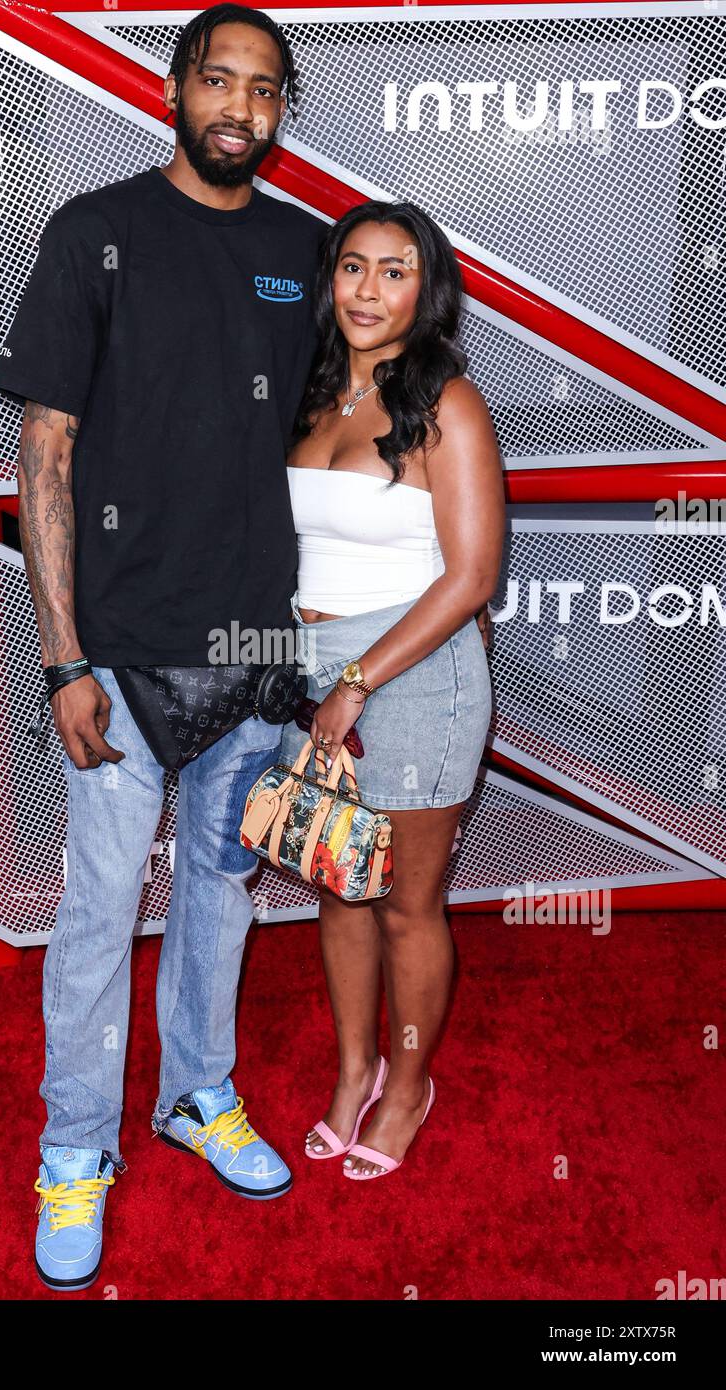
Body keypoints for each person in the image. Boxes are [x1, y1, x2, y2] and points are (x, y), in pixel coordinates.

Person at [0, 4, 327, 1290]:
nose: (238, 106)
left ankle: (198, 1094)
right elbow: (46, 456)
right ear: (173, 88)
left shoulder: (309, 252)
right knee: (93, 912)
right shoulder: (95, 231)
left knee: (220, 894)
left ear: (281, 111)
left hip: (256, 647)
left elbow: (334, 450)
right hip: (120, 649)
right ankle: (74, 1147)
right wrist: (63, 658)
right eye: (217, 80)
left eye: (263, 89)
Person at [277, 199, 505, 1180]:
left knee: (409, 905)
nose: (369, 289)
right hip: (319, 672)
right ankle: (354, 1068)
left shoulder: (446, 403)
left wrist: (358, 681)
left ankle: (408, 1087)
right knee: (338, 889)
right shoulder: (310, 391)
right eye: (353, 267)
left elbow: (471, 576)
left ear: (428, 288)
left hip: (415, 676)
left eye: (395, 270)